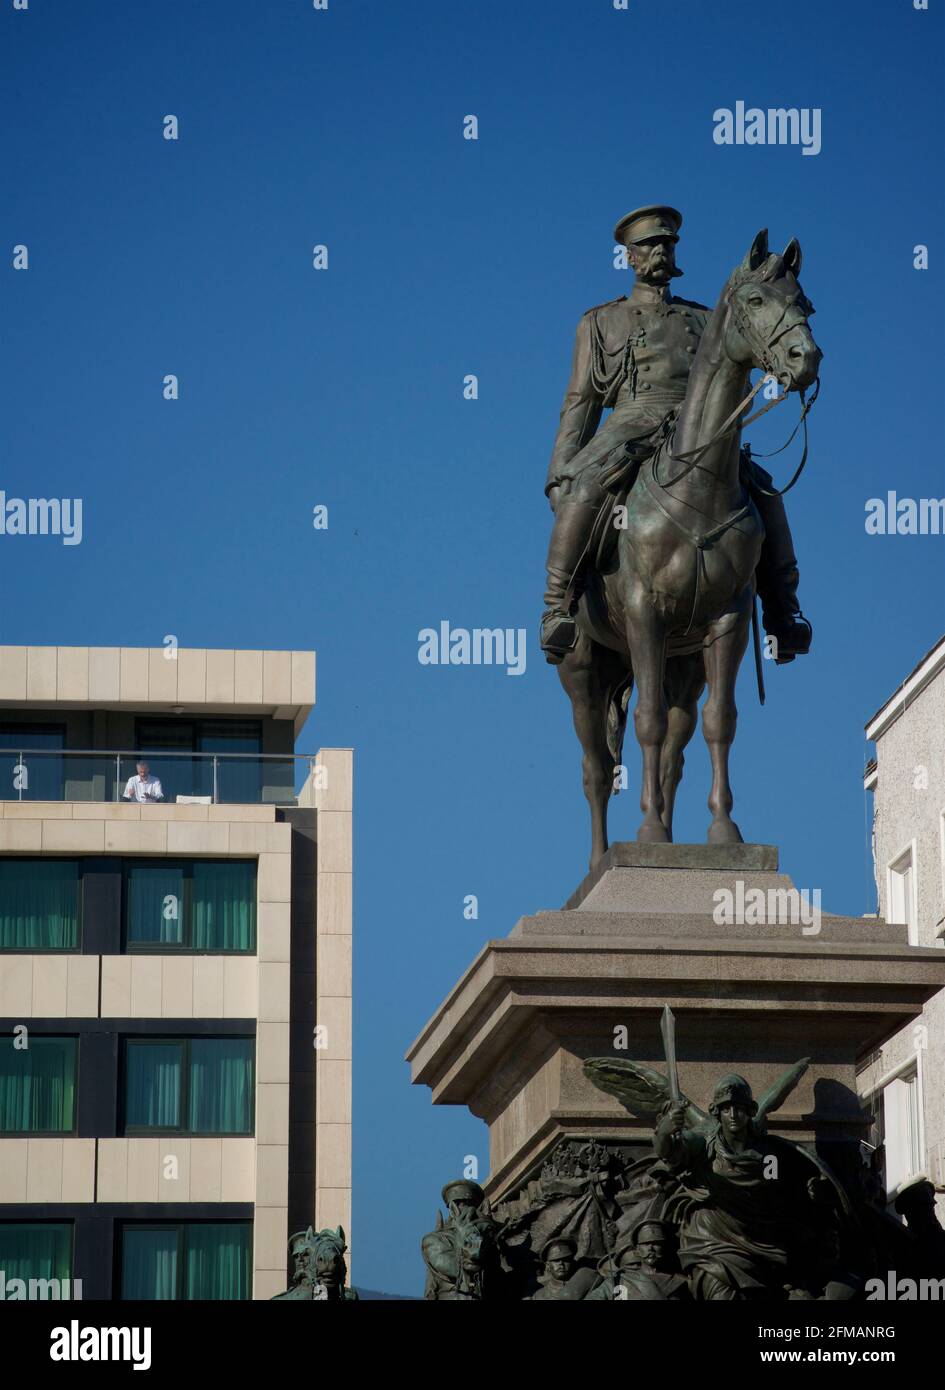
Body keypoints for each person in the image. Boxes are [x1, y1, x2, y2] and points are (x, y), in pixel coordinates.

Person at [540, 204, 811, 664]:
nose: (660, 251)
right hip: (631, 421)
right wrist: (559, 472)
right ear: (629, 256)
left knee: (765, 492)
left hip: (695, 429)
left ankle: (783, 612)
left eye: (667, 243)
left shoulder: (707, 318)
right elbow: (581, 402)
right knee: (586, 487)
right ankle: (556, 605)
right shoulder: (601, 321)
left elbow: (730, 379)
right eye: (649, 245)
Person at [528, 1236, 597, 1300]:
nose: (561, 1264)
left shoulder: (590, 1279)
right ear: (548, 1265)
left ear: (572, 1261)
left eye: (566, 1259)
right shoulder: (539, 1296)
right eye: (556, 1260)